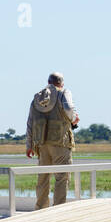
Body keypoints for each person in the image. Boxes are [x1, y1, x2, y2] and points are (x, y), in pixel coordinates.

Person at [25, 72, 79, 209]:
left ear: (48, 82)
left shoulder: (37, 97)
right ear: (61, 83)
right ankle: (58, 209)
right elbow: (68, 108)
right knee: (62, 177)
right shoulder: (64, 92)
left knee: (43, 177)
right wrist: (73, 119)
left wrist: (29, 145)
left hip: (41, 143)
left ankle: (40, 208)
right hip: (60, 141)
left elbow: (30, 122)